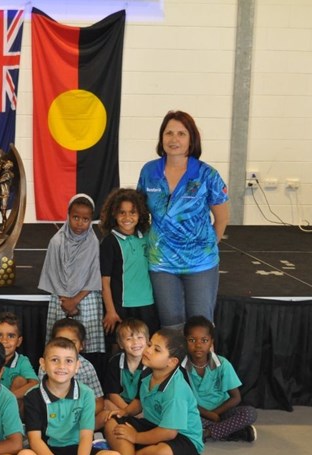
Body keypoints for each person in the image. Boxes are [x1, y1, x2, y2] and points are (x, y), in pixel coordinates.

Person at [137, 110, 229, 327]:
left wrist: (203, 248)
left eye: (181, 133)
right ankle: (173, 363)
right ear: (161, 138)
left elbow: (222, 219)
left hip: (200, 264)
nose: (174, 139)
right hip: (161, 264)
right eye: (168, 133)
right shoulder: (149, 171)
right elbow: (141, 212)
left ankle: (204, 363)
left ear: (191, 139)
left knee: (200, 327)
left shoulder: (207, 175)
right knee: (171, 326)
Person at [17, 337, 121, 455]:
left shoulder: (86, 394)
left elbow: (87, 436)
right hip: (47, 453)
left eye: (68, 361)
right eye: (55, 360)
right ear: (43, 364)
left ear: (77, 366)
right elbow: (35, 440)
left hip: (78, 450)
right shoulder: (33, 396)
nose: (61, 367)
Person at [104, 329, 204, 455]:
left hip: (182, 438)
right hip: (153, 425)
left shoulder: (175, 390)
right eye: (150, 344)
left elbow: (169, 432)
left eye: (156, 350)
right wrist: (125, 412)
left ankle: (123, 454)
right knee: (111, 420)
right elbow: (139, 401)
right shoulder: (147, 372)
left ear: (171, 362)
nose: (148, 350)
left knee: (162, 454)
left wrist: (135, 437)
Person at [38, 194, 105, 367]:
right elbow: (51, 273)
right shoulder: (57, 241)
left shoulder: (93, 242)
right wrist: (66, 301)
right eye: (76, 217)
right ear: (68, 215)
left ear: (91, 220)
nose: (80, 223)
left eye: (85, 219)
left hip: (86, 299)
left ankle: (86, 376)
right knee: (60, 344)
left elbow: (94, 275)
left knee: (85, 344)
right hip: (61, 300)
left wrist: (75, 300)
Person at [98, 188, 159, 349]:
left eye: (132, 212)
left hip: (147, 304)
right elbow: (104, 281)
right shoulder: (109, 242)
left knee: (145, 346)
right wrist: (110, 311)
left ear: (140, 214)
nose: (127, 217)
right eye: (122, 213)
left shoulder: (147, 236)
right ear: (114, 214)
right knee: (121, 347)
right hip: (121, 307)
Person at [183, 316, 257, 442]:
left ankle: (206, 433)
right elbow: (183, 400)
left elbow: (236, 397)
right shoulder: (180, 367)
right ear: (184, 341)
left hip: (222, 411)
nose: (198, 345)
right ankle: (235, 432)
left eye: (204, 340)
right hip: (197, 413)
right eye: (192, 340)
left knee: (249, 413)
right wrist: (207, 414)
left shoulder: (223, 364)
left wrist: (215, 414)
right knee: (180, 415)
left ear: (211, 342)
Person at [44, 318, 107, 430]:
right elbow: (41, 397)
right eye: (60, 341)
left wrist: (81, 415)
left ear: (82, 345)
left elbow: (99, 401)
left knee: (105, 416)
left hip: (80, 416)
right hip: (53, 415)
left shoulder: (87, 367)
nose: (65, 347)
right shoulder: (46, 366)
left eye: (72, 342)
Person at [103, 318, 149, 421]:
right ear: (120, 344)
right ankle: (130, 420)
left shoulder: (152, 364)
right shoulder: (115, 362)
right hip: (122, 405)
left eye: (140, 337)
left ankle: (130, 421)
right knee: (105, 403)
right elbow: (112, 393)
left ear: (147, 341)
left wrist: (132, 412)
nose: (135, 342)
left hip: (143, 407)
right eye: (129, 339)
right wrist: (127, 411)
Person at [0, 312, 38, 405]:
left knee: (20, 381)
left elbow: (35, 383)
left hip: (11, 406)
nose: (4, 340)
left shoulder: (22, 361)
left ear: (19, 341)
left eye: (11, 336)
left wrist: (8, 398)